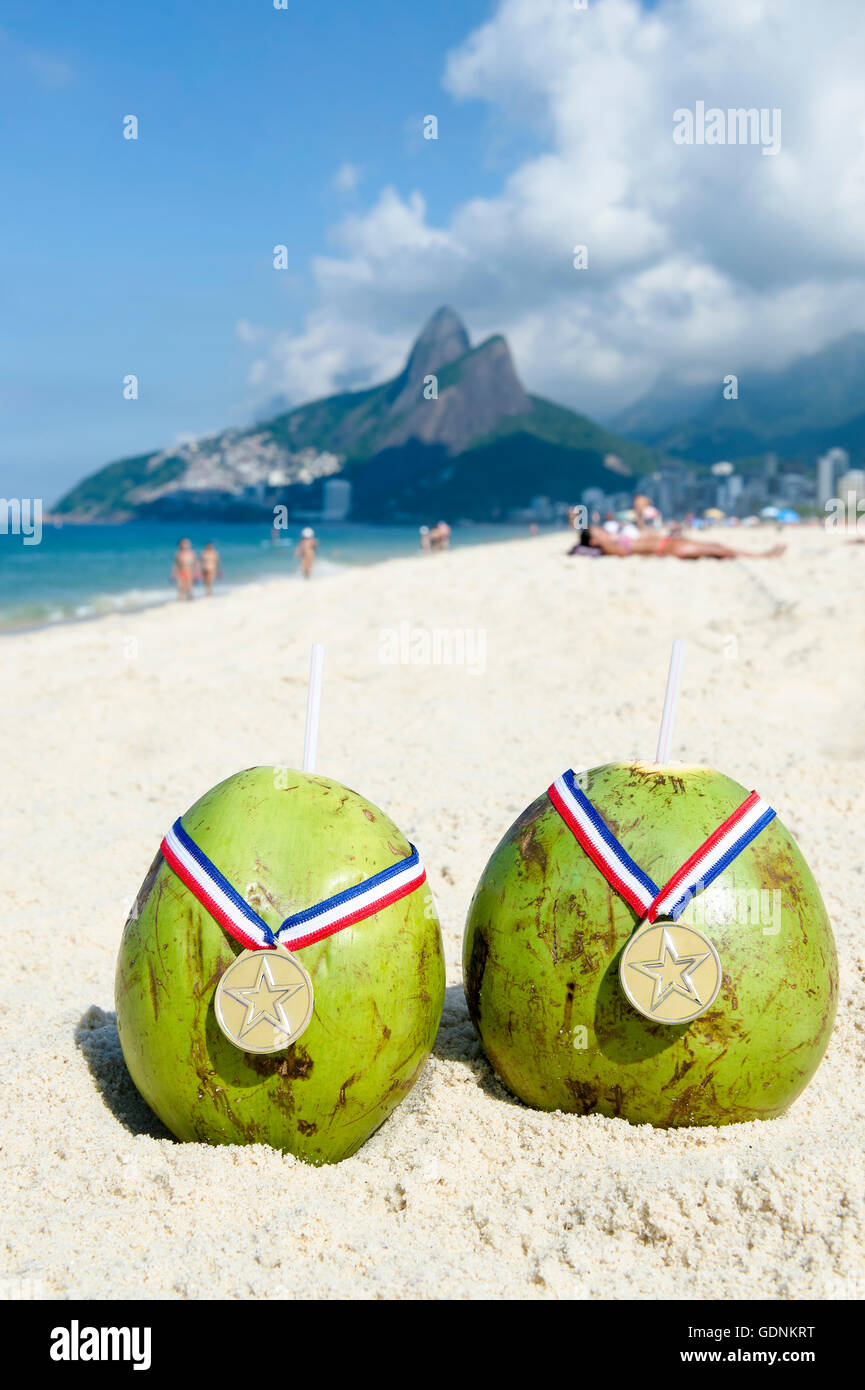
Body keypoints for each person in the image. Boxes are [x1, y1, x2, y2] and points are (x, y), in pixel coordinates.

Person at [571, 525, 786, 560]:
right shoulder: (608, 546)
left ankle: (762, 555)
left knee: (717, 547)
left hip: (669, 543)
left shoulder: (613, 540)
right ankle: (763, 556)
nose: (602, 530)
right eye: (597, 531)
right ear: (594, 540)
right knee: (720, 550)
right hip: (668, 548)